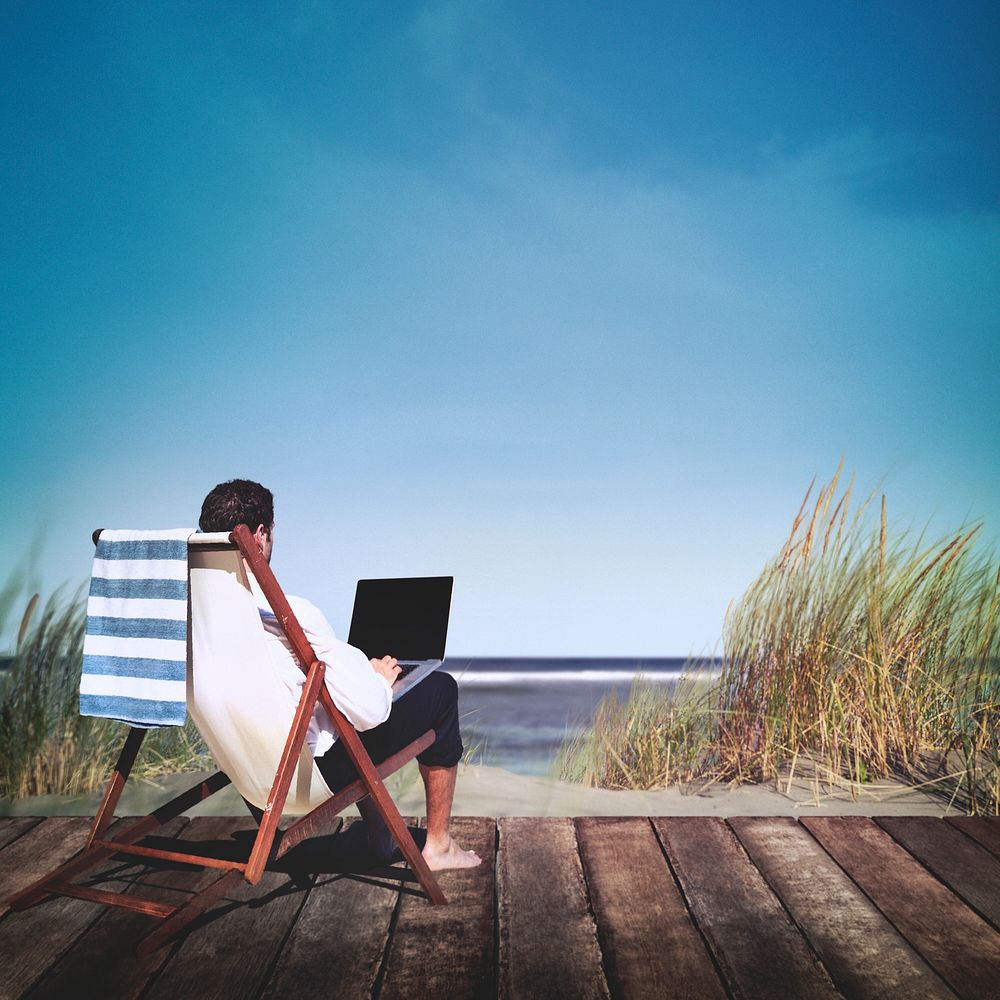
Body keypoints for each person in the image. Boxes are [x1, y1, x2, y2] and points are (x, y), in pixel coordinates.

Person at [198, 478, 481, 872]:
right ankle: (438, 846)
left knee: (339, 701)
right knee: (439, 689)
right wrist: (379, 680)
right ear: (259, 535)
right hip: (312, 776)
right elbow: (368, 712)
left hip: (251, 775)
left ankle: (383, 838)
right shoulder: (287, 614)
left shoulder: (199, 626)